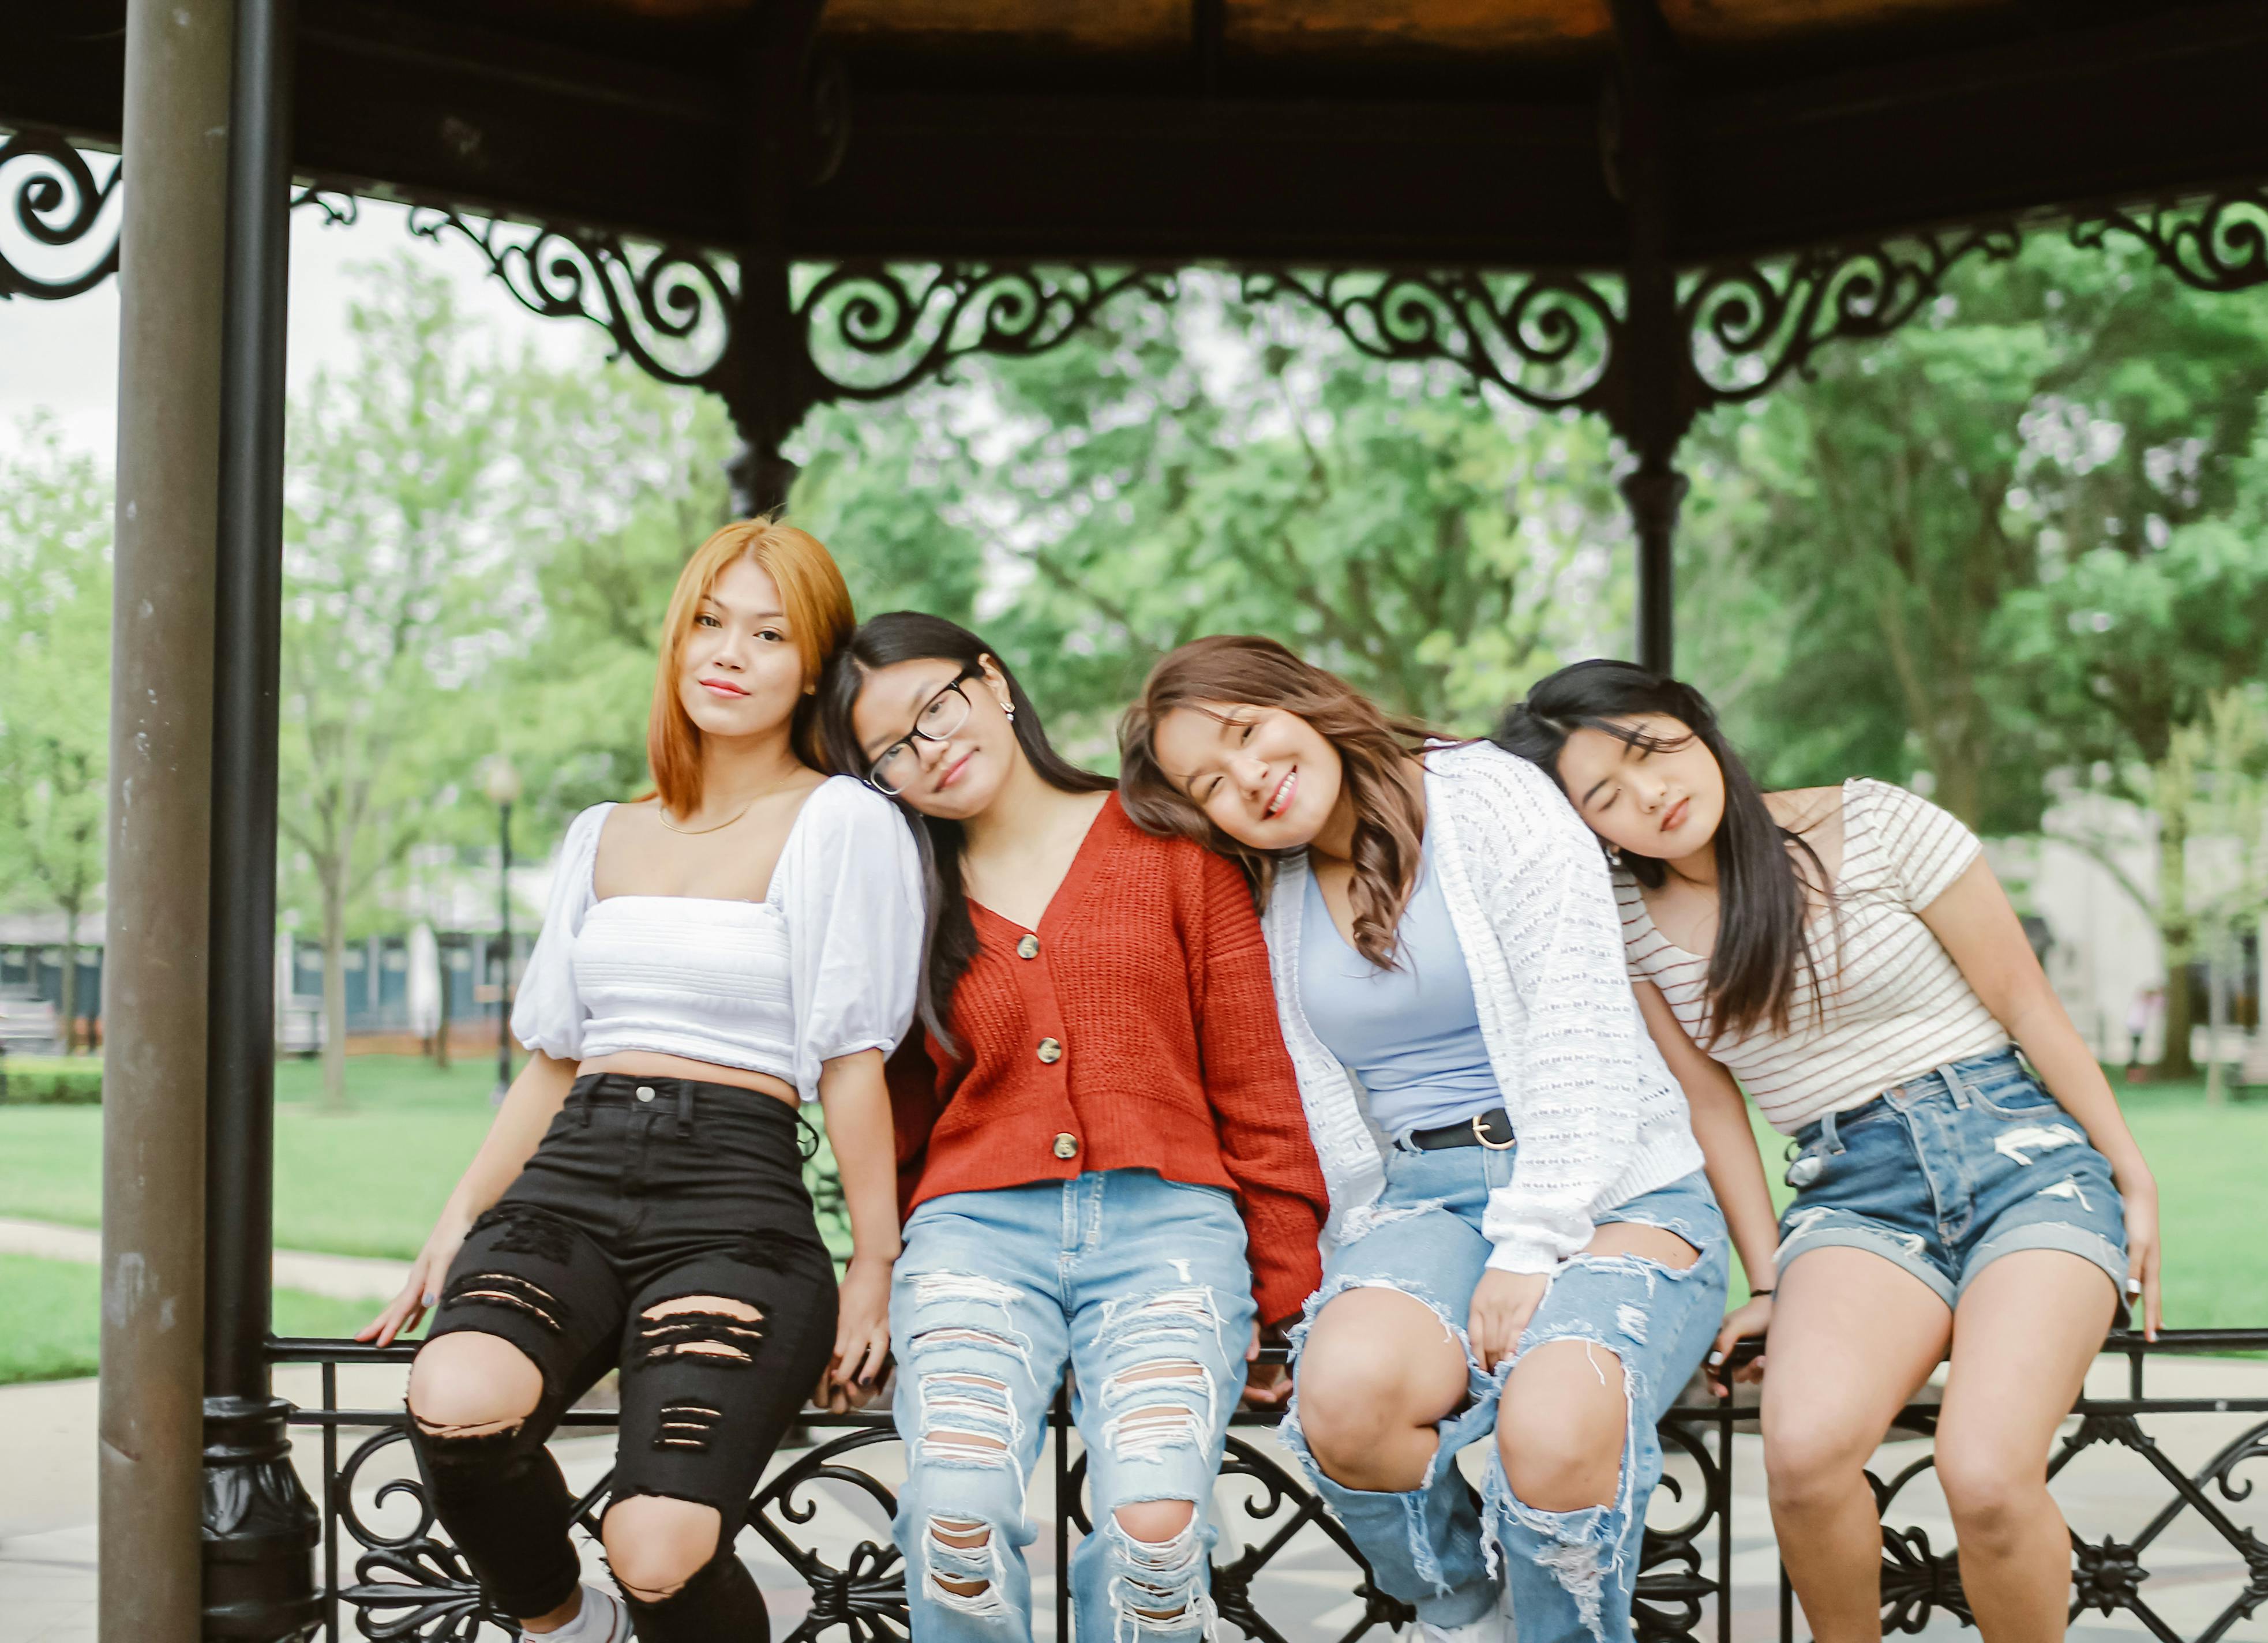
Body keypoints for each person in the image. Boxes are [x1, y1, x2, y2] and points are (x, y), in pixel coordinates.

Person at [1492, 659, 2162, 1643]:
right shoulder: (1622, 921)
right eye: (1606, 795)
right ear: (1585, 825)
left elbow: (2029, 1004)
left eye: (1650, 749)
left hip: (2026, 1159)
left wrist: (2132, 1174)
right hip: (1854, 1190)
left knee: (1982, 1473)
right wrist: (1770, 1284)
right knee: (1802, 1458)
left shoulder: (1877, 823)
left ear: (1692, 721)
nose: (1651, 795)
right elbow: (1712, 1109)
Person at [360, 520, 924, 1643]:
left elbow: (852, 1057)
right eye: (709, 624)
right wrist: (460, 1213)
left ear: (811, 665)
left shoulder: (839, 821)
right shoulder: (600, 832)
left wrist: (874, 1258)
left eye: (768, 633)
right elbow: (554, 1056)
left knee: (658, 1545)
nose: (729, 652)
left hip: (736, 1205)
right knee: (455, 1396)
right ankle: (566, 1625)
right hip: (570, 1179)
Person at [1119, 635, 1731, 1643]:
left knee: (1557, 1422)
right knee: (1348, 1397)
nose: (1251, 780)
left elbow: (1581, 1017)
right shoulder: (1268, 890)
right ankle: (1467, 1618)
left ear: (1303, 701)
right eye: (1211, 784)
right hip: (1425, 1196)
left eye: (1247, 733)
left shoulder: (1486, 795)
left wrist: (1534, 1242)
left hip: (1616, 1187)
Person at [819, 612, 1327, 1642]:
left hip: (1171, 1233)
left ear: (994, 682)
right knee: (954, 1523)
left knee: (1157, 1530)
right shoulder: (904, 900)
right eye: (891, 750)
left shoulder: (1173, 844)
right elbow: (889, 1107)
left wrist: (1288, 1295)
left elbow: (1256, 1081)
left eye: (939, 708)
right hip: (975, 1237)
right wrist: (876, 1263)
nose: (932, 749)